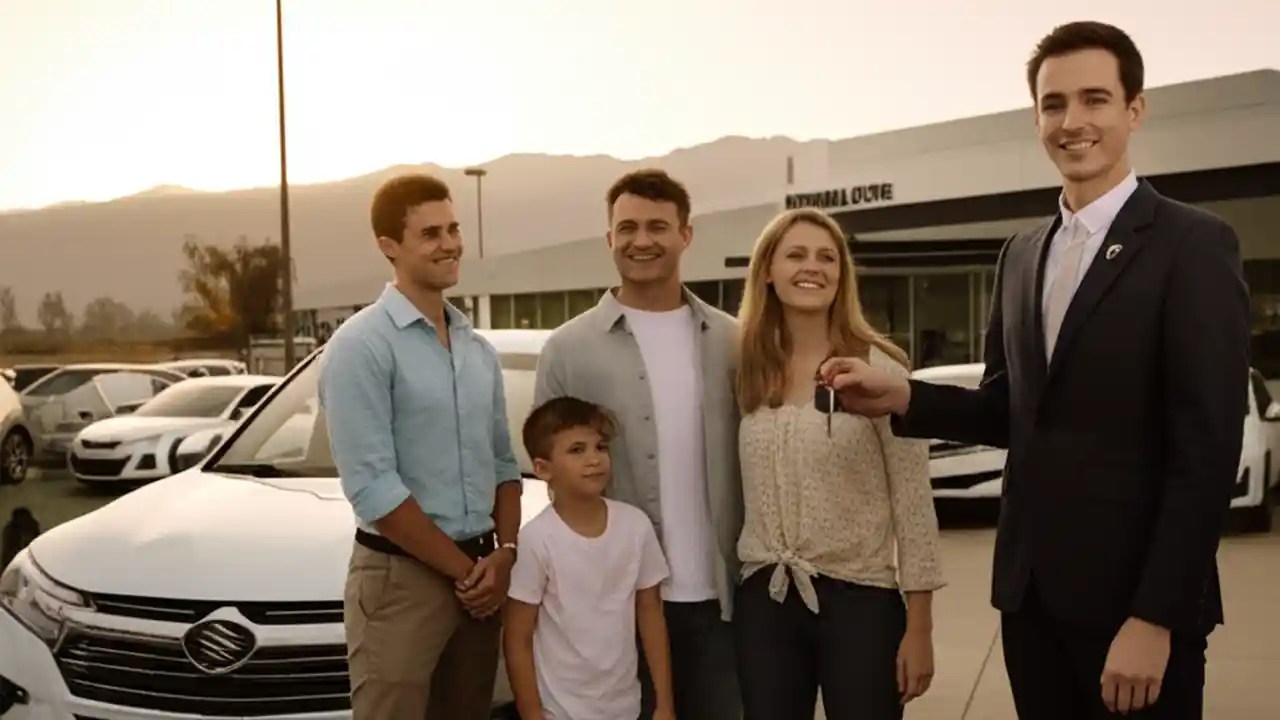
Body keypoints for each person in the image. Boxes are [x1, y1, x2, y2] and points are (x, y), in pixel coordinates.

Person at [819, 21, 1250, 720]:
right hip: (1031, 604)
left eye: (1094, 99)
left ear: (1134, 110)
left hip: (1135, 613)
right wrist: (903, 397)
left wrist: (1156, 616)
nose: (1072, 122)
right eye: (1054, 104)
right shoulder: (1020, 255)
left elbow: (1207, 452)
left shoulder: (1193, 244)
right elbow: (1007, 408)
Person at [532, 168, 743, 718]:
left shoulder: (734, 341)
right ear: (609, 238)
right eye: (627, 228)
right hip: (611, 615)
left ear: (686, 235)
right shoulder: (567, 350)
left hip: (723, 604)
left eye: (657, 226)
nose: (641, 240)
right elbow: (551, 479)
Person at [318, 172, 523, 719]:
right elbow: (373, 488)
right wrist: (466, 571)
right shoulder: (361, 346)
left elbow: (504, 465)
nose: (450, 244)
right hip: (402, 582)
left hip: (482, 576)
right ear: (389, 246)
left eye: (453, 229)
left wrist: (505, 553)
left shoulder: (477, 351)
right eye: (430, 233)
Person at [732, 207, 944, 720]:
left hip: (861, 603)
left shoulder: (879, 366)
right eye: (796, 255)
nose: (813, 267)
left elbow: (913, 502)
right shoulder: (748, 368)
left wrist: (920, 628)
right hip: (766, 599)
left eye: (827, 257)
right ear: (768, 270)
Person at [504, 396, 676, 720]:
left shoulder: (635, 526)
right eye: (576, 450)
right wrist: (531, 714)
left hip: (625, 708)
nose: (594, 459)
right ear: (542, 468)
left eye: (601, 447)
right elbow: (517, 637)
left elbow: (651, 614)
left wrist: (665, 704)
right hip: (559, 711)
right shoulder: (537, 539)